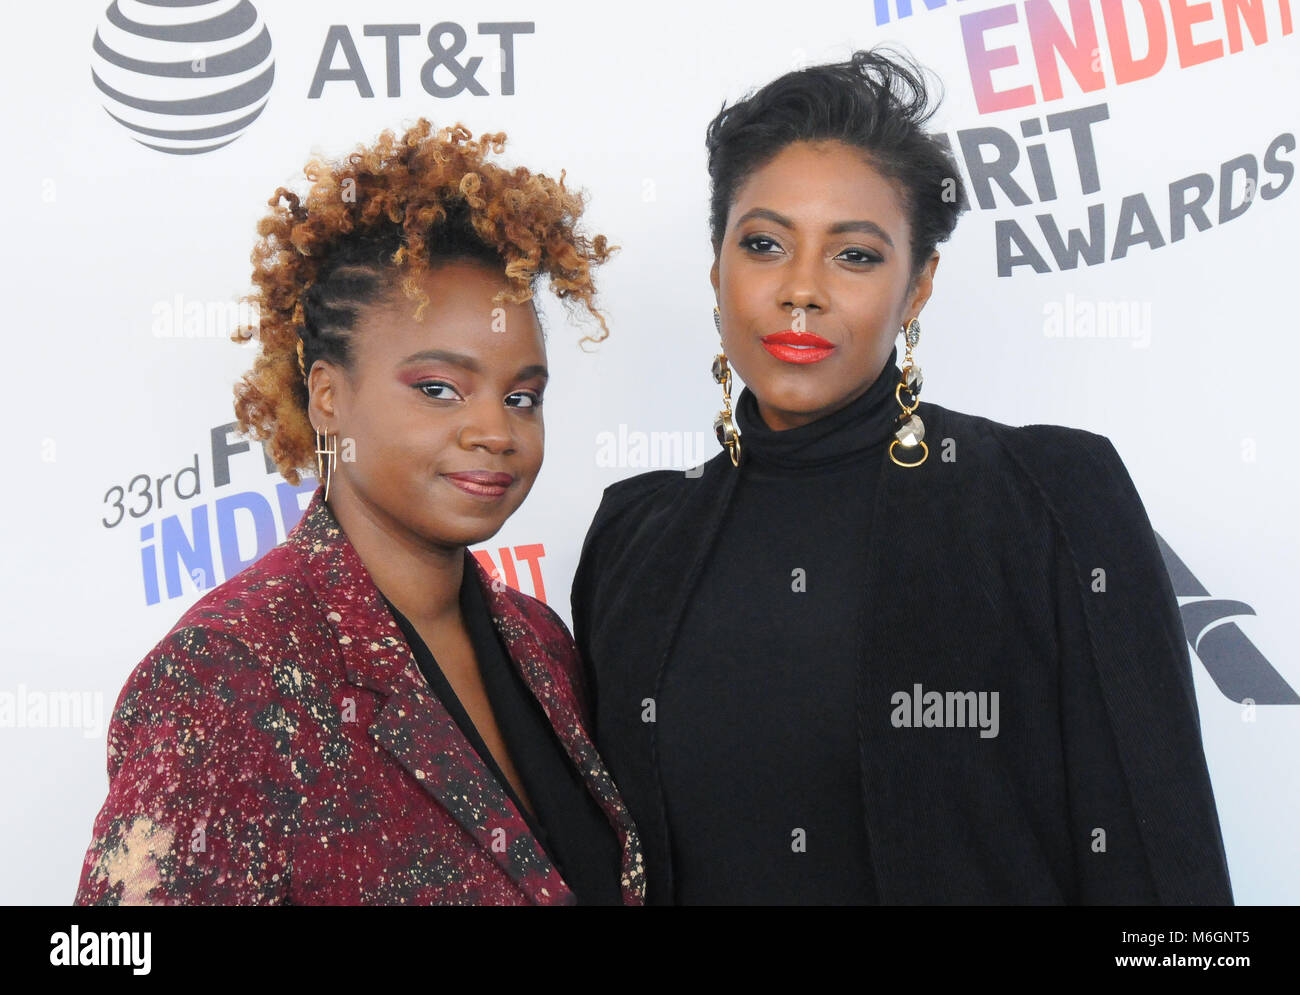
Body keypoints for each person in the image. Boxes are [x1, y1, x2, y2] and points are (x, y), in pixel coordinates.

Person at [570, 49, 1233, 905]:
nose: (800, 291)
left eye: (855, 256)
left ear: (917, 288)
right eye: (765, 244)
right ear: (716, 266)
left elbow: (1161, 864)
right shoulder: (636, 535)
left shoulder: (1046, 496)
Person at [75, 119, 644, 906]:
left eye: (523, 397)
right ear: (328, 396)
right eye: (439, 388)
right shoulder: (228, 676)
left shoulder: (542, 643)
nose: (495, 430)